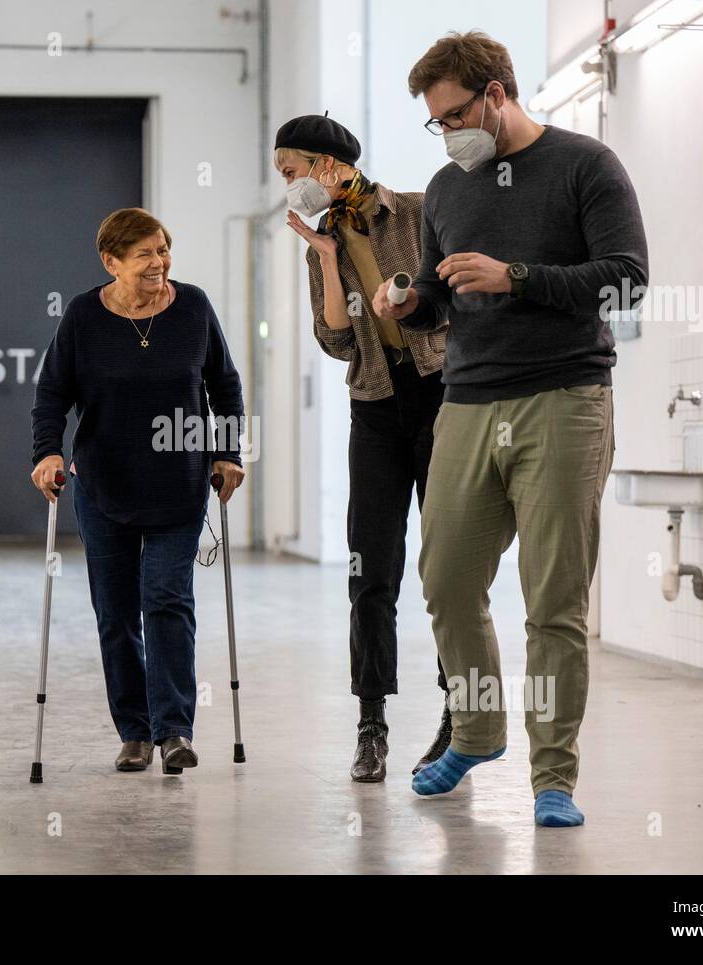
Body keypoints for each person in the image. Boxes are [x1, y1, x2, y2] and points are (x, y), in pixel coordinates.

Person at [372, 31, 648, 827]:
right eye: (436, 120)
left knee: (552, 599)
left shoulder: (585, 166)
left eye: (456, 112)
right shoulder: (447, 188)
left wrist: (515, 275)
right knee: (447, 580)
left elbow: (628, 281)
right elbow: (439, 292)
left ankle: (553, 776)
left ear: (497, 93)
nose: (449, 131)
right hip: (467, 401)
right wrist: (410, 300)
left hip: (564, 398)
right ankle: (478, 728)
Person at [30, 208, 246, 775]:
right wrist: (47, 452)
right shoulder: (83, 316)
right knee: (116, 611)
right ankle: (134, 732)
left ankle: (174, 729)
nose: (160, 263)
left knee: (167, 600)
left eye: (164, 250)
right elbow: (52, 392)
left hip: (180, 483)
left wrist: (228, 452)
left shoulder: (194, 307)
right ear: (112, 262)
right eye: (145, 253)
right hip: (103, 484)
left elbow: (224, 384)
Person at [275, 113, 453, 783]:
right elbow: (337, 342)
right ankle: (371, 721)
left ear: (326, 165)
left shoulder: (415, 212)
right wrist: (326, 259)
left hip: (440, 398)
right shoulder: (318, 243)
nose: (288, 187)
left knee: (447, 568)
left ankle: (458, 713)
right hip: (374, 407)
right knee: (369, 571)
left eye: (291, 172)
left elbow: (451, 300)